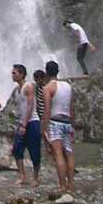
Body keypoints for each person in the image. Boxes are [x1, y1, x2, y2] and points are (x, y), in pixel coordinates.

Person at [42, 60, 76, 194]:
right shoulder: (67, 86)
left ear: (46, 72)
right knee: (69, 153)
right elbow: (72, 107)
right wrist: (73, 126)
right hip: (67, 122)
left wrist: (44, 130)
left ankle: (62, 186)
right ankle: (71, 184)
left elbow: (46, 110)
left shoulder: (48, 88)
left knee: (58, 155)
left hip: (55, 123)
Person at [11, 64, 41, 187]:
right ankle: (22, 176)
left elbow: (30, 106)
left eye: (14, 73)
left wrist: (24, 125)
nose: (12, 75)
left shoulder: (28, 87)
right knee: (17, 149)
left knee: (34, 150)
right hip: (22, 122)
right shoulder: (18, 90)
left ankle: (35, 178)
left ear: (21, 74)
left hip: (32, 122)